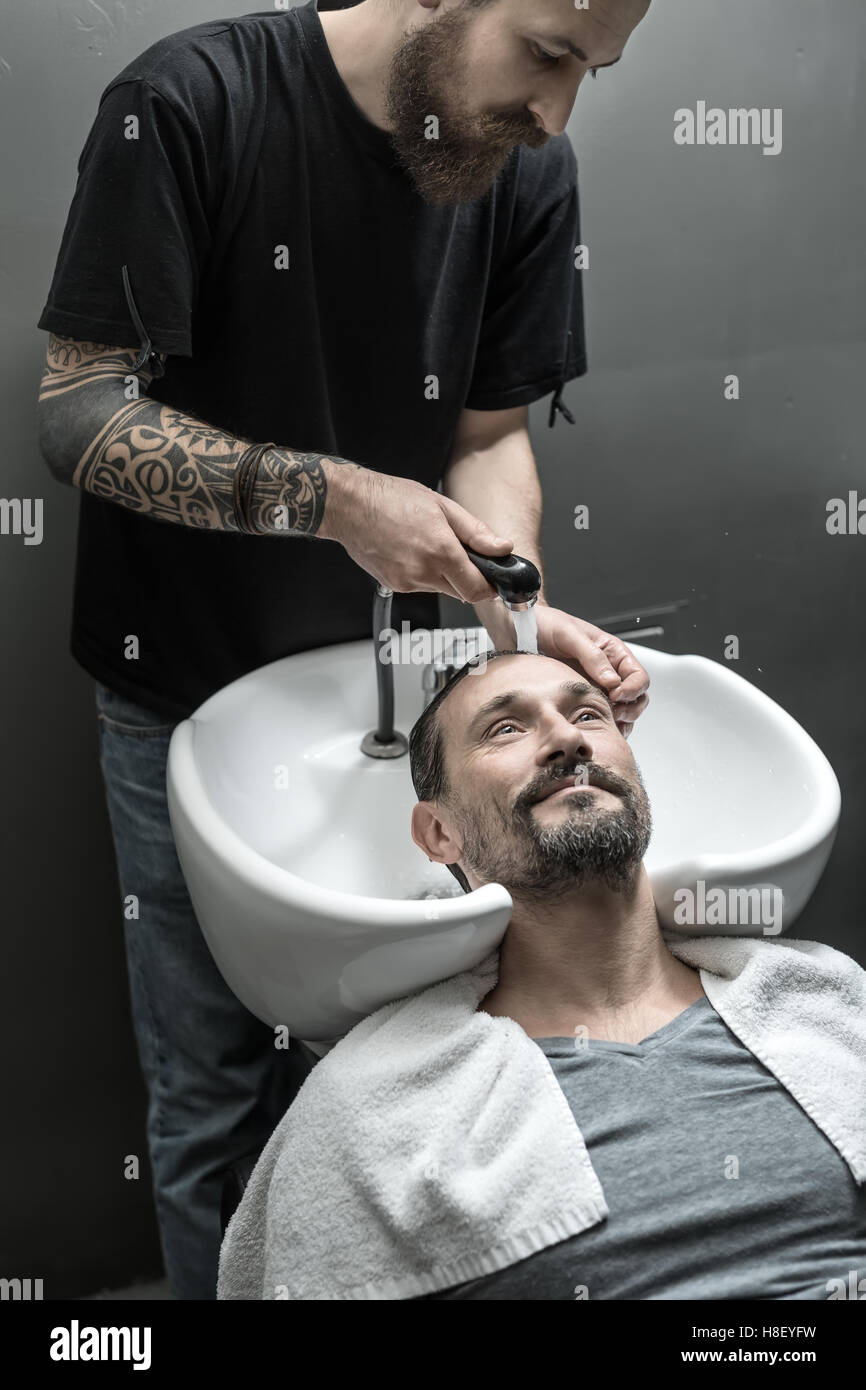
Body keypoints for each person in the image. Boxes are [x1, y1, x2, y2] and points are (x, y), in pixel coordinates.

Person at [35, 0, 652, 1298]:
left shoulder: (526, 164)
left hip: (403, 695)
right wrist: (329, 496)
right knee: (209, 1101)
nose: (557, 111)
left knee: (393, 1092)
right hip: (179, 693)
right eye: (548, 53)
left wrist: (517, 627)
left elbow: (485, 435)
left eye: (591, 72)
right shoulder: (190, 98)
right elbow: (80, 412)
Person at [217, 651, 866, 1301]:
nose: (567, 739)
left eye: (588, 714)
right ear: (439, 833)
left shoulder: (824, 1006)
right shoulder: (367, 1109)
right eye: (506, 728)